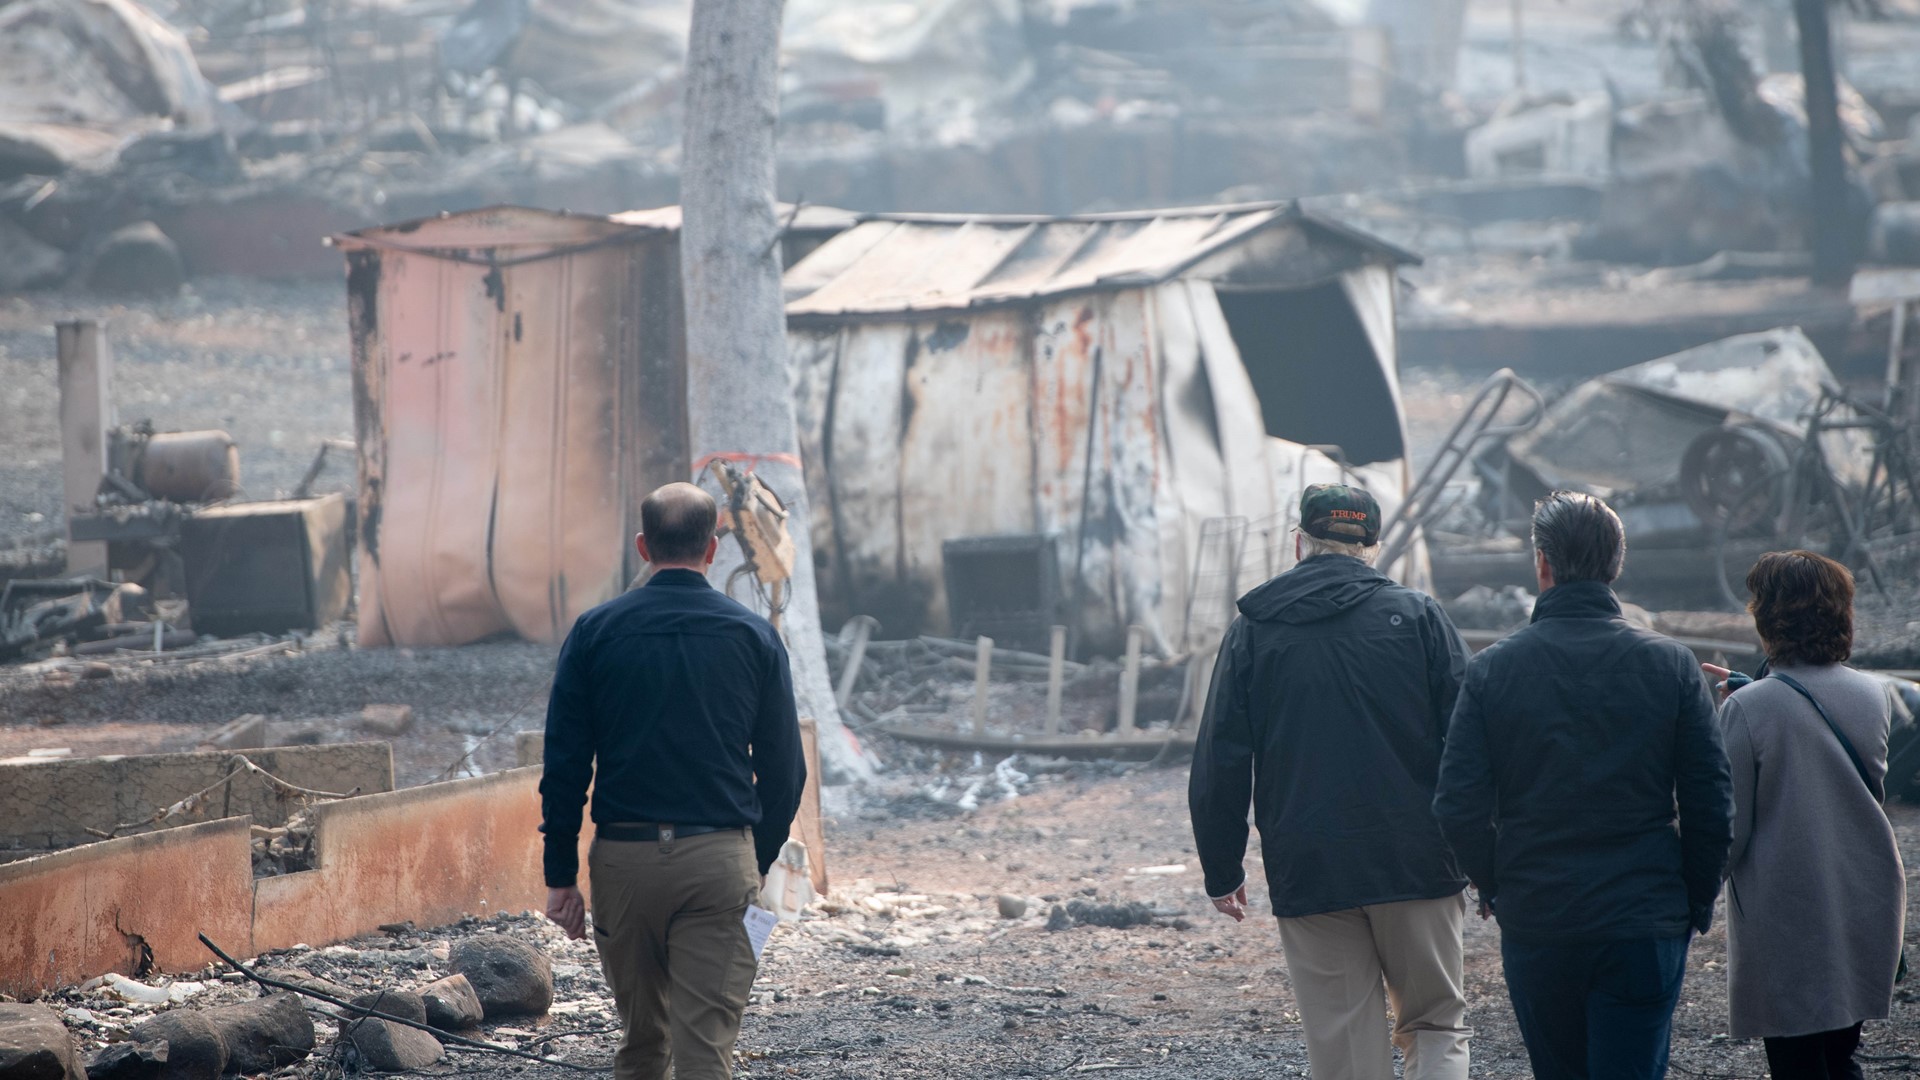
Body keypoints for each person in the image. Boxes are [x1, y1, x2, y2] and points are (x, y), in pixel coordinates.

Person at [1433, 491, 1733, 1080]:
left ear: (1542, 562)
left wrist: (1497, 885)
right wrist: (1693, 900)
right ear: (1617, 564)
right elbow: (1711, 802)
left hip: (1540, 914)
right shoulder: (1672, 664)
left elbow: (1457, 805)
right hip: (1644, 915)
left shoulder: (1493, 669)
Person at [1190, 482, 1475, 1080]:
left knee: (1344, 1042)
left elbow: (1221, 754)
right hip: (1418, 859)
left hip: (1311, 863)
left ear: (1300, 543)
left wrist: (1223, 867)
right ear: (1373, 547)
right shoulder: (1419, 617)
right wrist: (1484, 852)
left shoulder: (1254, 629)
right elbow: (1470, 745)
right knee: (1436, 1024)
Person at [538, 482, 806, 1080]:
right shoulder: (754, 636)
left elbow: (565, 766)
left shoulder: (594, 632)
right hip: (717, 863)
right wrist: (753, 858)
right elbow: (786, 772)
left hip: (623, 865)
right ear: (712, 549)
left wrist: (560, 876)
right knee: (704, 1051)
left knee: (640, 1044)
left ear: (643, 546)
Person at [1709, 551, 1905, 1080]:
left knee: (1796, 1064)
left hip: (1788, 915)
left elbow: (1730, 832)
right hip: (1864, 897)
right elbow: (1815, 746)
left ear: (1771, 617)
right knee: (1840, 1057)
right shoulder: (1874, 694)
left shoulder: (1747, 709)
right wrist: (1756, 692)